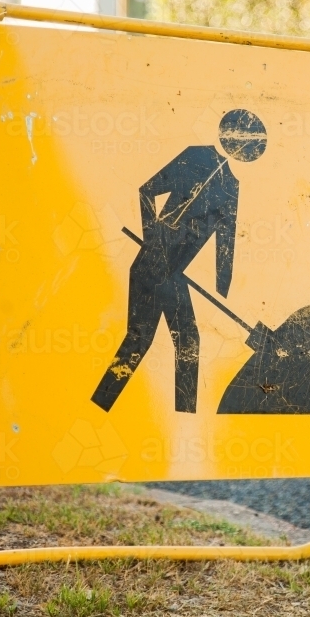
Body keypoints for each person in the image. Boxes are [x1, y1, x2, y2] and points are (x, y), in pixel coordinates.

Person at [91, 109, 267, 413]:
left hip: (173, 274)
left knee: (182, 343)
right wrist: (152, 239)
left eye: (248, 142)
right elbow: (147, 190)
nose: (240, 145)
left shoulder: (231, 189)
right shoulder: (196, 157)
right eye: (239, 136)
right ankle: (103, 404)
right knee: (142, 339)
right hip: (151, 264)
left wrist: (221, 290)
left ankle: (180, 418)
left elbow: (225, 246)